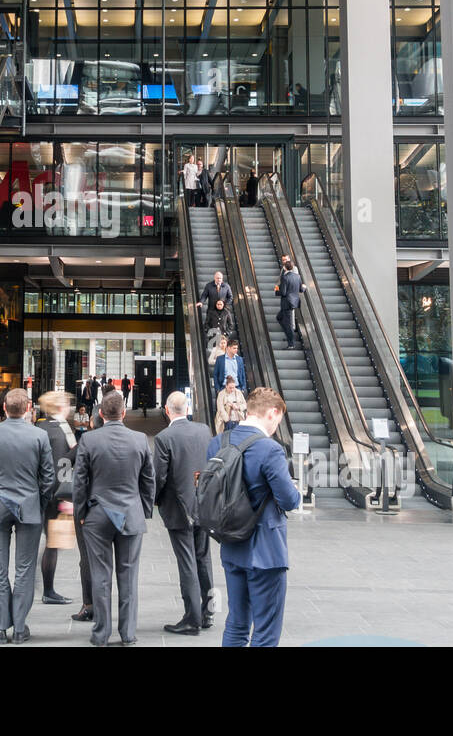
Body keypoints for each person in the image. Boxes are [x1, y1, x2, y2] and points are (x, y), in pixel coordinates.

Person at [207, 387, 301, 647]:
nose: (276, 427)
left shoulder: (218, 443)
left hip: (232, 547)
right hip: (266, 553)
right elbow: (288, 500)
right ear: (272, 413)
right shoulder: (269, 450)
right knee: (266, 631)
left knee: (236, 623)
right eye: (278, 421)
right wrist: (296, 490)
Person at [71, 391, 155, 647]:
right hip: (130, 513)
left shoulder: (89, 441)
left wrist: (81, 513)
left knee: (101, 575)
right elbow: (148, 480)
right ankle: (128, 634)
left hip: (98, 514)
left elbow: (80, 482)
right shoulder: (140, 440)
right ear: (123, 413)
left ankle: (101, 634)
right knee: (128, 576)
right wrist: (144, 510)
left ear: (100, 414)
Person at [0, 388, 54, 644]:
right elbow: (48, 477)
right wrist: (39, 503)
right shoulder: (39, 435)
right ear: (28, 408)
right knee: (25, 568)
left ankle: (1, 626)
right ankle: (19, 627)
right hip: (28, 506)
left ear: (4, 408)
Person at [154, 390, 213, 634]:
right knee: (204, 559)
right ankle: (208, 613)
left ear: (167, 411)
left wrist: (155, 501)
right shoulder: (204, 431)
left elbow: (159, 476)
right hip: (203, 505)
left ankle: (191, 618)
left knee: (187, 562)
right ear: (186, 409)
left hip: (178, 509)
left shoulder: (164, 437)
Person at [35, 390, 78, 608]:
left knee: (51, 540)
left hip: (39, 493)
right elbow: (64, 465)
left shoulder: (40, 427)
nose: (70, 407)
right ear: (60, 407)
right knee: (54, 542)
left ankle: (43, 584)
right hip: (57, 494)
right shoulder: (63, 431)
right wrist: (66, 499)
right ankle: (48, 590)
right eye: (67, 404)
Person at [274, 259, 306, 349]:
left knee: (288, 324)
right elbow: (300, 289)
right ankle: (288, 334)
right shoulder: (298, 277)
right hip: (294, 302)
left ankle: (291, 344)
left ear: (285, 267)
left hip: (286, 303)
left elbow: (283, 292)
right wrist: (304, 288)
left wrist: (277, 290)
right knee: (279, 318)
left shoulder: (285, 277)